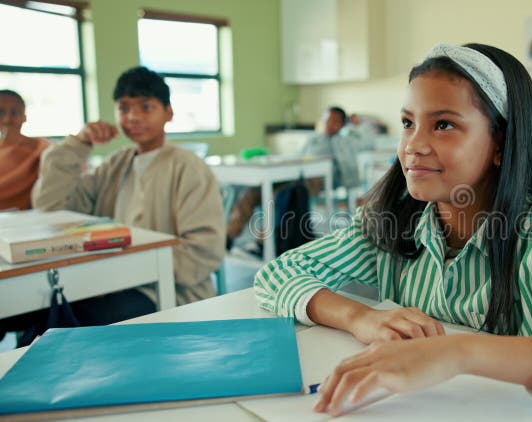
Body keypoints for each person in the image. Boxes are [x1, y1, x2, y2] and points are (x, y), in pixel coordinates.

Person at [254, 43, 532, 415]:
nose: (413, 145)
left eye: (443, 125)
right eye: (407, 123)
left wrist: (457, 352)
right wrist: (359, 317)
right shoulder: (392, 220)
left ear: (499, 144)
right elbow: (276, 276)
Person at [29, 66, 224, 323]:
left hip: (169, 293)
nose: (132, 117)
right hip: (109, 284)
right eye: (124, 108)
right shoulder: (115, 165)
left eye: (145, 107)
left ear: (168, 113)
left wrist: (124, 269)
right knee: (46, 313)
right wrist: (79, 143)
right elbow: (51, 206)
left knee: (68, 321)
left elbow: (204, 251)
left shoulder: (188, 168)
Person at [226, 106, 371, 255]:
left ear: (342, 124)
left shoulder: (347, 140)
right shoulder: (314, 139)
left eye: (334, 121)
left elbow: (368, 139)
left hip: (315, 180)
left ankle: (264, 243)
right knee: (250, 194)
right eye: (327, 120)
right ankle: (228, 237)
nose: (329, 124)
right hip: (294, 174)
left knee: (278, 195)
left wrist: (359, 123)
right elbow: (298, 155)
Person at [0, 90, 50, 211]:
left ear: (24, 117)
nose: (7, 119)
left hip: (32, 214)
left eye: (15, 112)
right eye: (0, 112)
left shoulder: (42, 148)